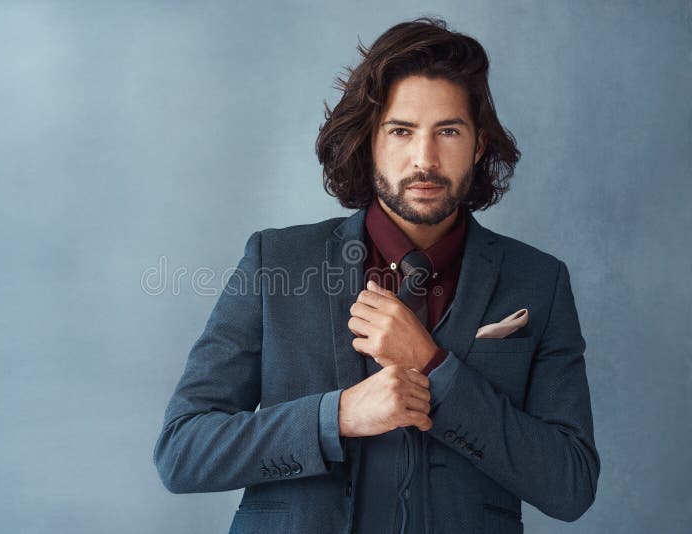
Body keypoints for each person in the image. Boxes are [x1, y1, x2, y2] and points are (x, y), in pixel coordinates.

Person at [153, 16, 600, 534]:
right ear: (369, 141)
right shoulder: (275, 260)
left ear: (478, 144)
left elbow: (571, 485)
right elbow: (182, 451)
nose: (425, 159)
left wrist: (435, 369)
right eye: (401, 131)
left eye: (448, 131)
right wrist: (336, 417)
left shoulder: (539, 281)